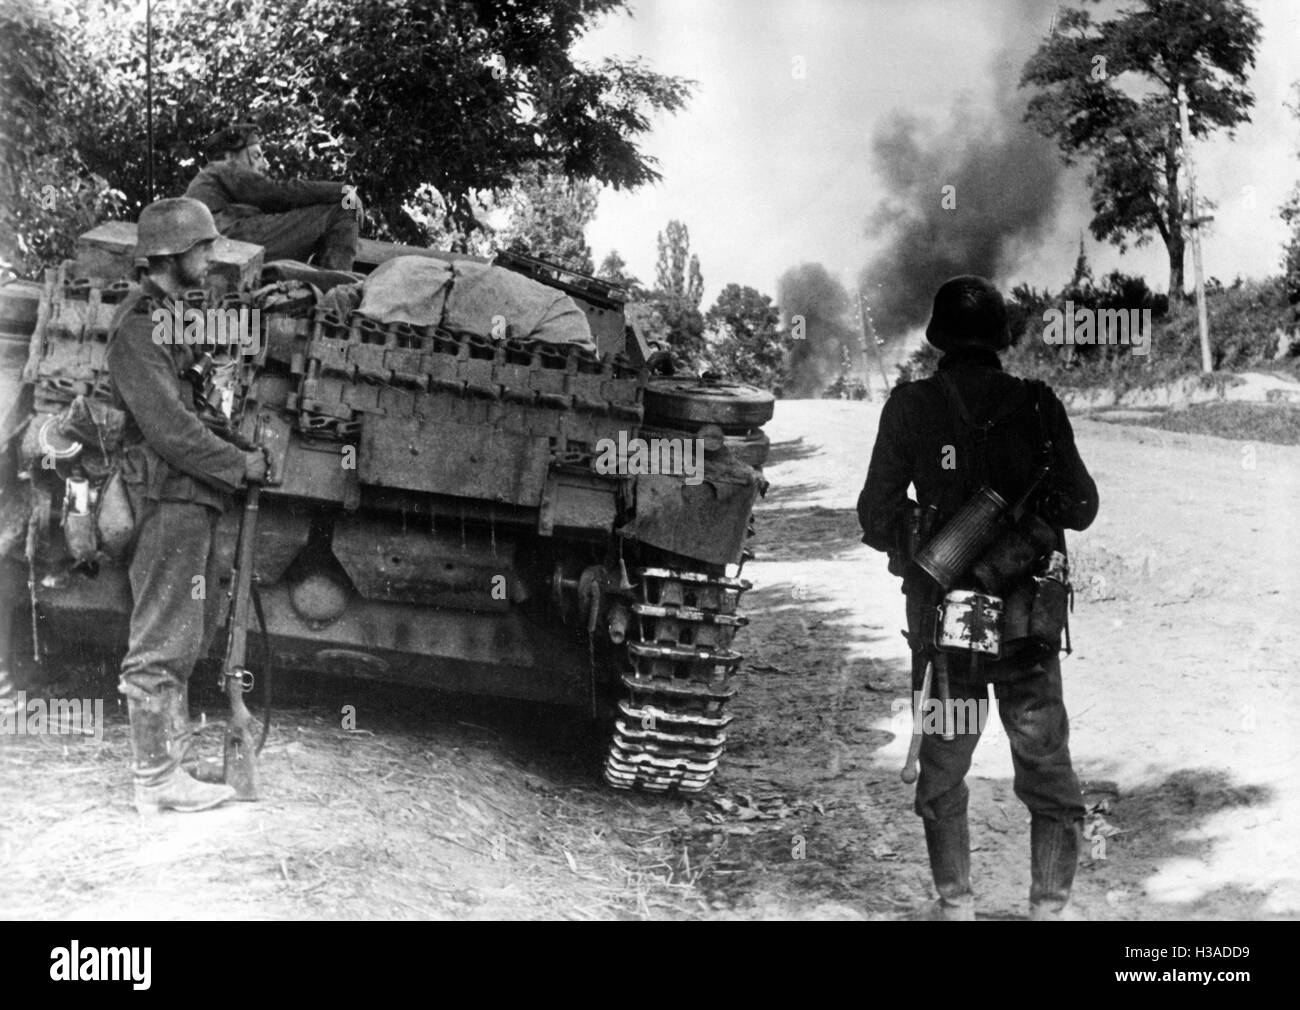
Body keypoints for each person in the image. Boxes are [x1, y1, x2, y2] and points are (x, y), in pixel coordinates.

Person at [858, 275, 1099, 920]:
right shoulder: (1039, 405)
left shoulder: (910, 407)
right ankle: (1049, 909)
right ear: (1000, 339)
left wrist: (936, 546)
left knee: (941, 767)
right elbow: (1083, 506)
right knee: (1046, 765)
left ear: (940, 340)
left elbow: (874, 516)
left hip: (946, 637)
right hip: (1024, 631)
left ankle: (955, 905)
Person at [108, 197, 268, 814]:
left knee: (182, 635)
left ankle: (166, 765)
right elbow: (170, 431)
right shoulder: (139, 326)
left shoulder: (168, 321)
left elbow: (195, 413)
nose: (210, 256)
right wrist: (236, 466)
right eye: (203, 247)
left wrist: (240, 447)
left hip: (186, 497)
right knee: (160, 641)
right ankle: (153, 781)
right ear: (172, 255)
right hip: (166, 497)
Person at [184, 122, 361, 271]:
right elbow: (278, 194)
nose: (264, 165)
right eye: (256, 156)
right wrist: (343, 191)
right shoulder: (221, 168)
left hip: (223, 246)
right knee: (343, 208)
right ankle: (338, 287)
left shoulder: (211, 184)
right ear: (229, 157)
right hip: (233, 241)